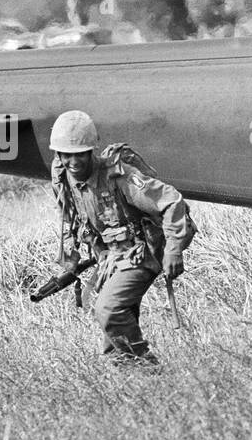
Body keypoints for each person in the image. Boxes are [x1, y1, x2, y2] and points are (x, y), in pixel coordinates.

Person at [48, 110, 196, 365]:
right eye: (65, 154)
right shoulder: (62, 178)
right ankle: (132, 381)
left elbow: (171, 202)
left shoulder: (119, 176)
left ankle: (147, 366)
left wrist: (174, 250)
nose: (72, 161)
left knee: (108, 309)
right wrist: (71, 259)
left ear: (91, 151)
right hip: (110, 259)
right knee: (113, 341)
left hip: (141, 254)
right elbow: (68, 216)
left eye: (79, 154)